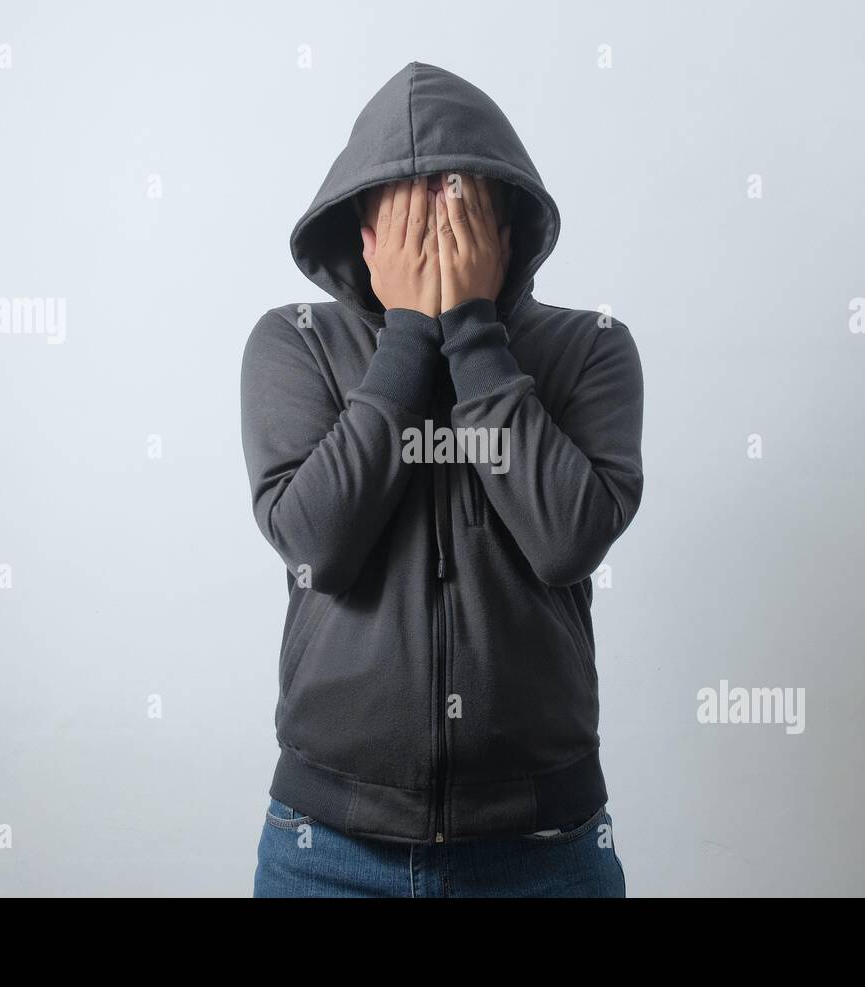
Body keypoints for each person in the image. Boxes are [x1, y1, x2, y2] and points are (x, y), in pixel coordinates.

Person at [241, 61, 644, 897]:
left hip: (544, 847)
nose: (436, 241)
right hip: (326, 848)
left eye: (459, 218)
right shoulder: (295, 342)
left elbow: (567, 538)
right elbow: (319, 542)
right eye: (408, 219)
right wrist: (408, 336)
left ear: (507, 232)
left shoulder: (592, 349)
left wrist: (471, 330)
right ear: (363, 235)